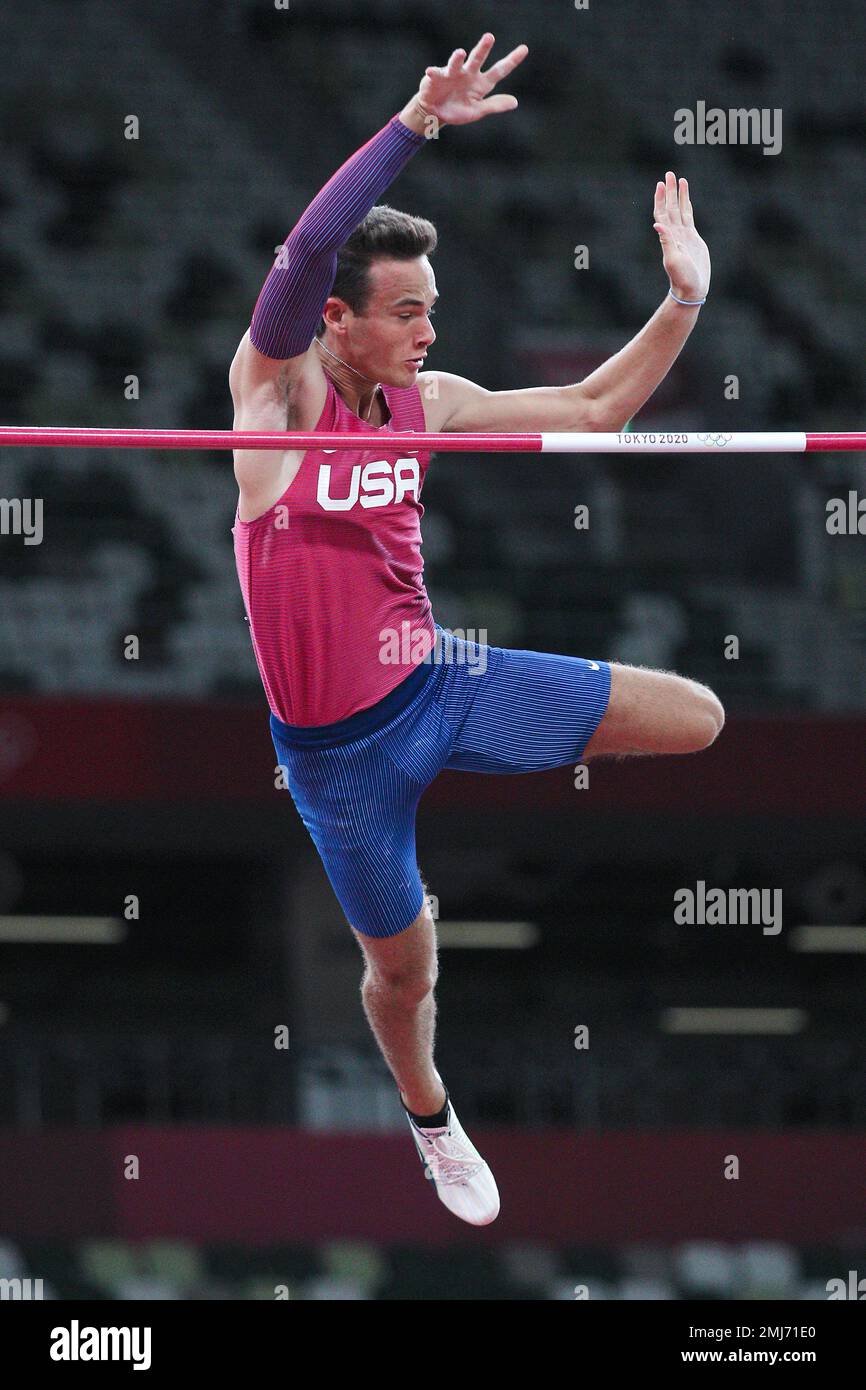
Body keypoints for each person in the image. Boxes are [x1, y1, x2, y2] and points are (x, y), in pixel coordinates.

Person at [230, 33, 723, 1225]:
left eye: (432, 311)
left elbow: (596, 410)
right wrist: (413, 124)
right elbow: (301, 248)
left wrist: (681, 299)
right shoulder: (274, 391)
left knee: (699, 718)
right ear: (335, 321)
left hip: (439, 680)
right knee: (402, 975)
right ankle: (431, 1121)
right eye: (405, 313)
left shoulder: (429, 402)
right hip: (338, 759)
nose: (427, 333)